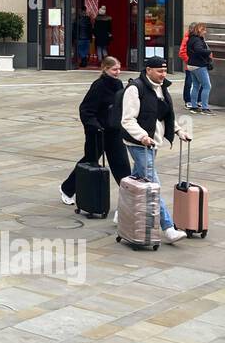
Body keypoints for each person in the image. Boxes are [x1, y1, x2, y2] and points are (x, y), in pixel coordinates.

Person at [121, 57, 188, 243]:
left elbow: (165, 113)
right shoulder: (135, 88)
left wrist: (178, 130)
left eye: (165, 71)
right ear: (148, 70)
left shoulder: (161, 87)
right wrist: (142, 136)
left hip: (153, 143)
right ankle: (168, 228)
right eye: (160, 71)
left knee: (136, 178)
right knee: (152, 186)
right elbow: (127, 120)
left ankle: (122, 212)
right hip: (139, 144)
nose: (163, 75)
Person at [60, 55, 131, 211]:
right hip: (97, 132)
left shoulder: (119, 84)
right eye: (114, 69)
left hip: (114, 132)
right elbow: (85, 109)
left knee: (122, 165)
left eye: (119, 69)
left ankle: (129, 197)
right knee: (90, 162)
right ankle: (67, 189)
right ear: (105, 69)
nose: (117, 72)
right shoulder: (98, 86)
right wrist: (95, 126)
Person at [186, 23, 213, 115]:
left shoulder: (191, 38)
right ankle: (205, 108)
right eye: (204, 30)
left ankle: (194, 106)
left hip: (191, 64)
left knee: (196, 86)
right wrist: (209, 52)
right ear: (199, 30)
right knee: (207, 86)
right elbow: (198, 50)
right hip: (199, 65)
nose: (205, 32)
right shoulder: (197, 40)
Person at [179, 22, 196, 109]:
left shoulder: (199, 38)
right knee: (189, 83)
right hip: (190, 65)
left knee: (198, 83)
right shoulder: (187, 39)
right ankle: (187, 100)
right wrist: (189, 61)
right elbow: (182, 52)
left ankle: (196, 100)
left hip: (198, 64)